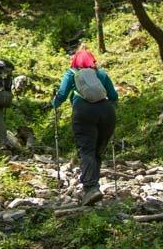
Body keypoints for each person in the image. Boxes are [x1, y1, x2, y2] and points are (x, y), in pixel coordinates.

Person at [49, 47, 118, 206]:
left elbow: (61, 95)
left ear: (75, 62)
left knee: (86, 150)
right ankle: (94, 186)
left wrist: (53, 104)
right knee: (97, 151)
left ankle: (91, 188)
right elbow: (113, 96)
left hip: (83, 111)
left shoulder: (71, 74)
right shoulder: (100, 73)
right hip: (107, 111)